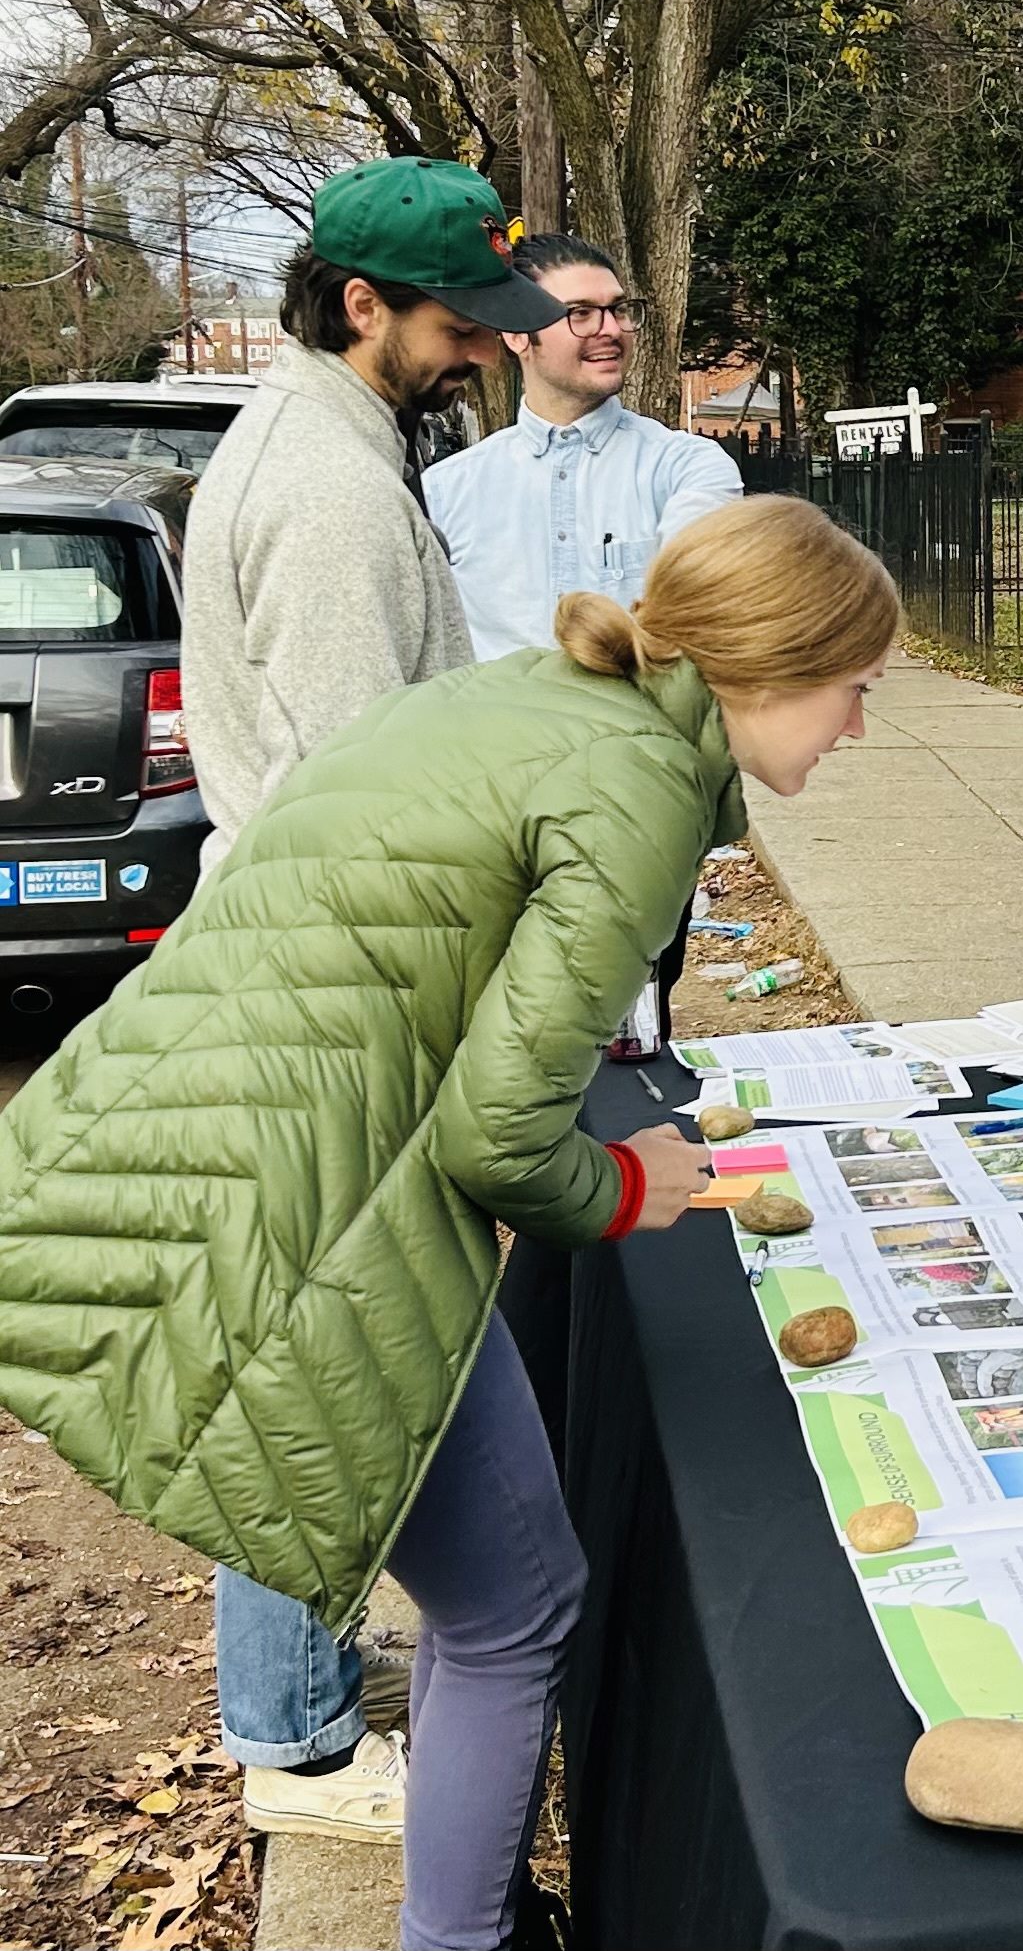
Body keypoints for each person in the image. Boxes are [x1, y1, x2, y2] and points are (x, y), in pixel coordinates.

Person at [0, 495, 899, 1951]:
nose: (857, 725)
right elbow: (494, 1134)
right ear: (772, 665)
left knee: (507, 1588)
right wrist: (625, 1185)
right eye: (856, 687)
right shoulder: (643, 793)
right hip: (292, 1212)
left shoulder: (545, 697)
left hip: (182, 1140)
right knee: (515, 1604)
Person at [180, 156, 567, 1840]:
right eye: (454, 323)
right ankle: (298, 1742)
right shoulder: (332, 497)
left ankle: (302, 1686)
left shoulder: (333, 439)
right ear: (359, 305)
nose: (480, 351)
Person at [424, 231, 742, 661]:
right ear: (517, 335)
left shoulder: (687, 470)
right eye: (581, 313)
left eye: (617, 310)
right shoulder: (445, 492)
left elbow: (696, 623)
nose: (610, 329)